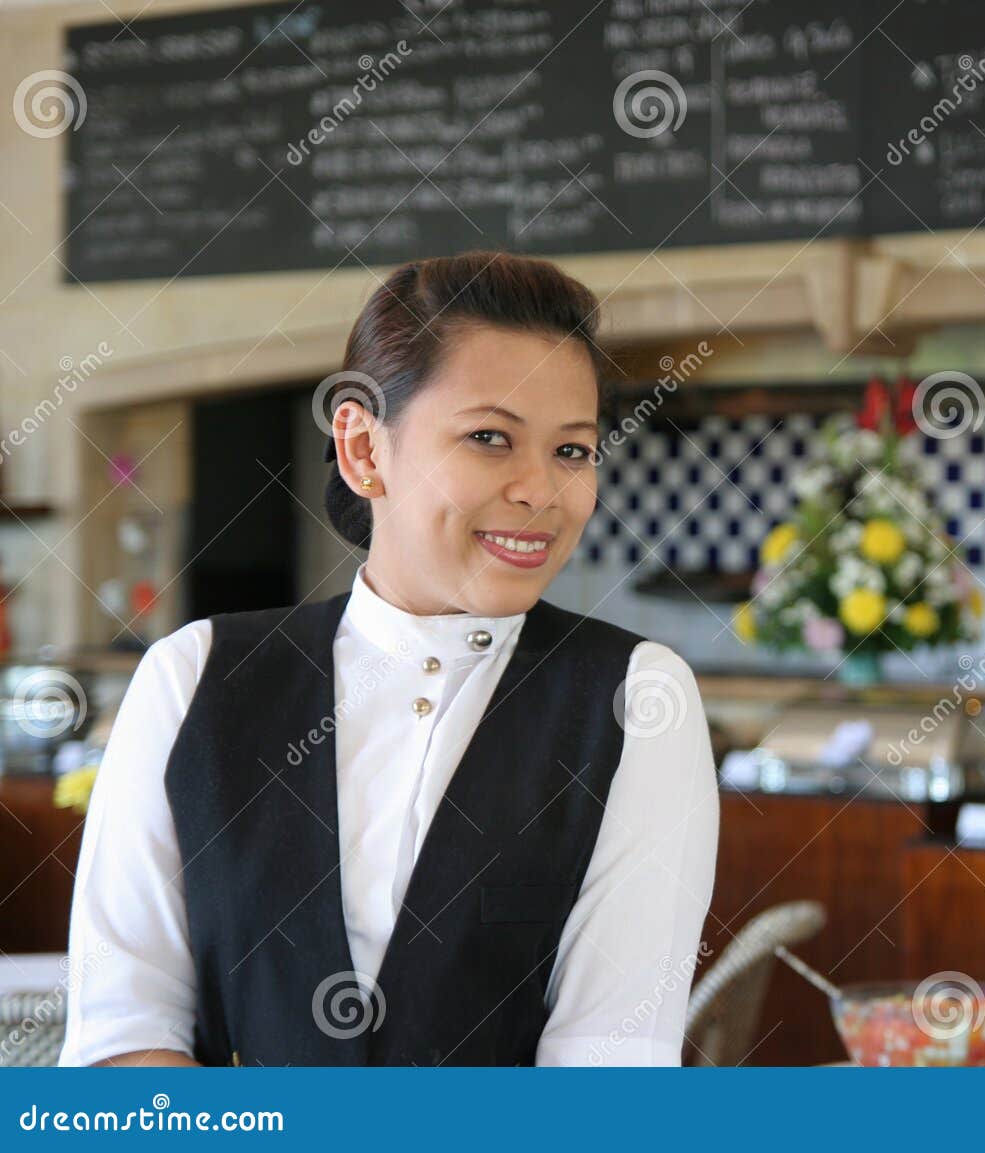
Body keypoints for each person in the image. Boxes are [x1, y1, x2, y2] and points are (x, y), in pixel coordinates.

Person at [60, 252, 719, 1066]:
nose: (542, 492)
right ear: (364, 447)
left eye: (573, 451)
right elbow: (122, 1035)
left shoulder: (638, 700)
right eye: (489, 438)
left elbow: (610, 1070)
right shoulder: (191, 676)